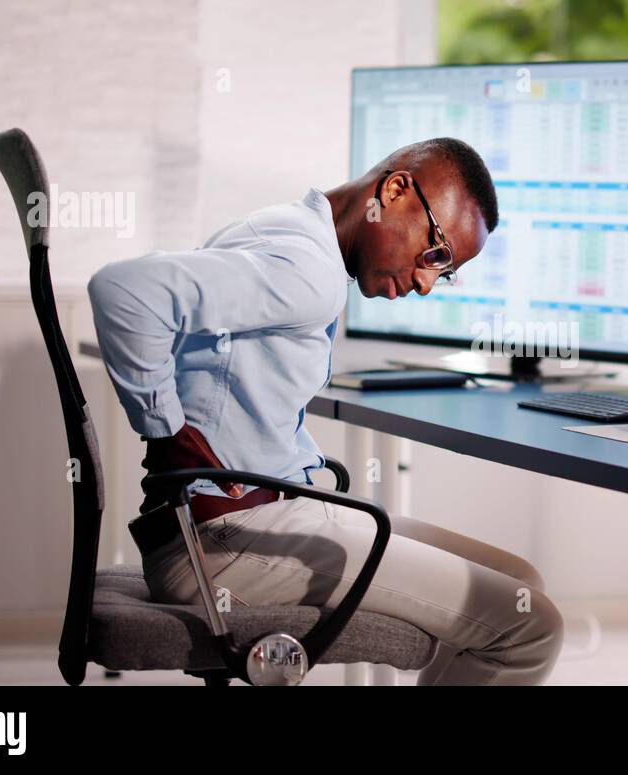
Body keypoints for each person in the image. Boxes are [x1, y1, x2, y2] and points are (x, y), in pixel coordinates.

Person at [88, 138, 563, 685]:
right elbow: (121, 290)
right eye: (436, 253)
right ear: (395, 190)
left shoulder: (291, 227)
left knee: (519, 581)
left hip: (264, 511)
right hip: (226, 544)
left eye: (446, 271)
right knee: (532, 627)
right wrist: (165, 431)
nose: (427, 282)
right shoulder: (307, 271)